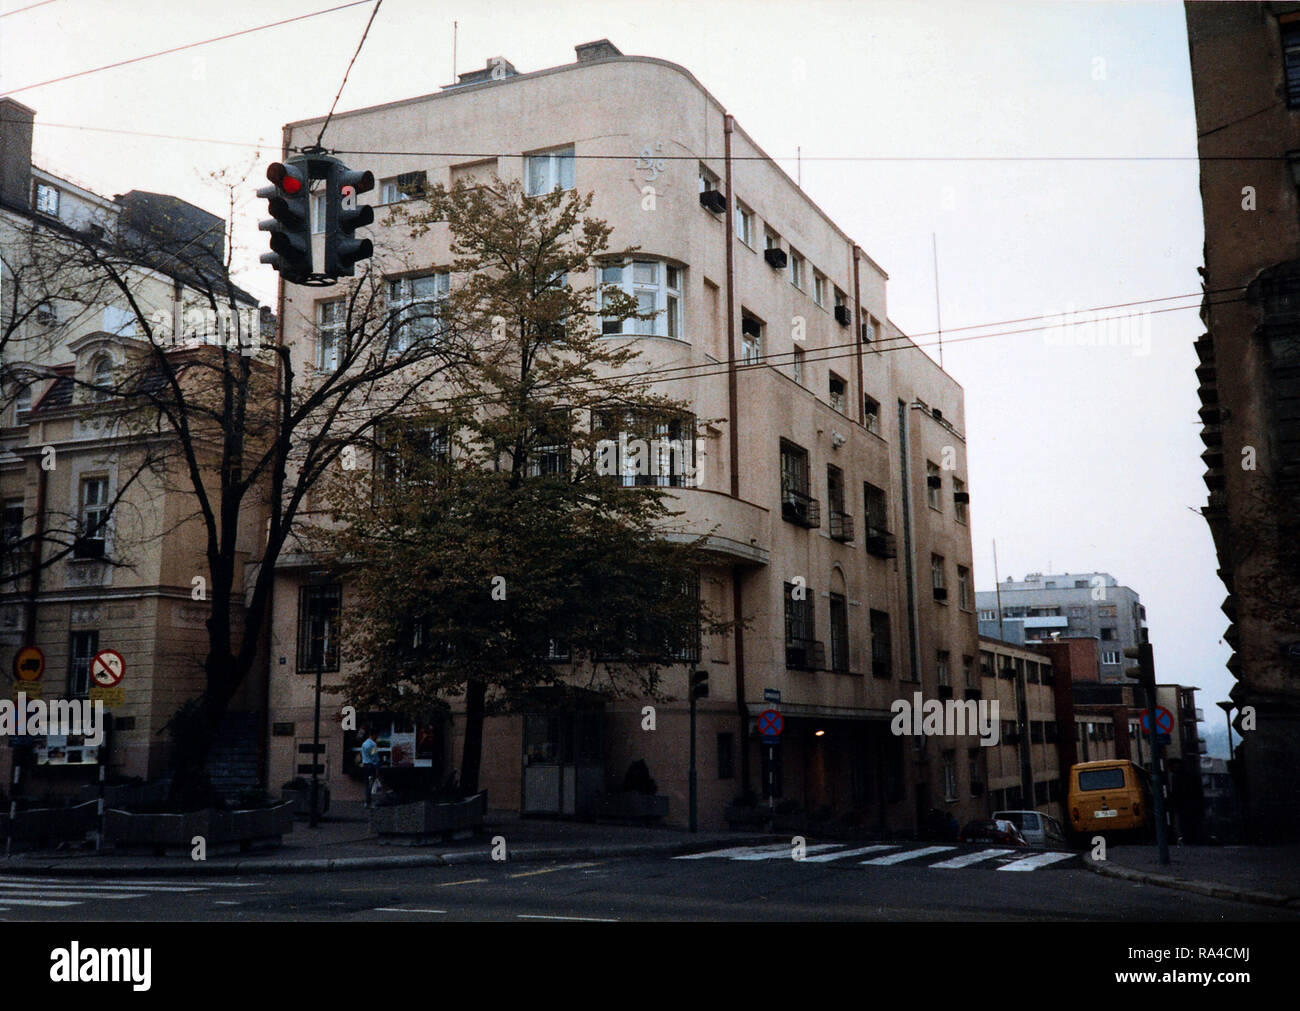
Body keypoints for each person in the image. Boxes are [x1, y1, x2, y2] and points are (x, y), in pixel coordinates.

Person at [360, 727, 380, 808]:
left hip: (365, 765)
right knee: (371, 785)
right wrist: (377, 769)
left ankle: (367, 802)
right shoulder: (373, 744)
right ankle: (369, 802)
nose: (377, 737)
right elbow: (375, 757)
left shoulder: (364, 744)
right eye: (377, 735)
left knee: (367, 784)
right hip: (371, 766)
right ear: (374, 735)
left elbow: (363, 754)